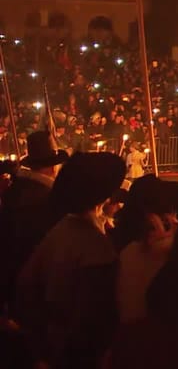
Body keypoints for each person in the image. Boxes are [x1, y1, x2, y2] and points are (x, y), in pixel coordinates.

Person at [15, 152, 126, 369]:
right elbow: (93, 323)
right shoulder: (95, 248)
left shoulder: (60, 230)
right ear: (105, 194)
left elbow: (25, 288)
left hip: (50, 345)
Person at [0, 130, 68, 309]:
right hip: (36, 284)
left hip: (11, 279)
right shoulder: (48, 199)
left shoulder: (15, 191)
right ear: (53, 168)